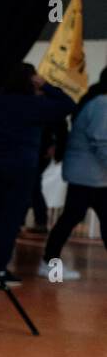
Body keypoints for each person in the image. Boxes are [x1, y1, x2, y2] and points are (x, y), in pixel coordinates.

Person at [0, 63, 75, 285]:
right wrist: (46, 86)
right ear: (31, 80)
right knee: (10, 220)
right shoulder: (34, 105)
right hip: (20, 168)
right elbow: (68, 105)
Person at [42, 74, 107, 280]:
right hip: (88, 175)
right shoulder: (102, 104)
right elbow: (102, 142)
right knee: (70, 219)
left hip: (91, 175)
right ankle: (49, 265)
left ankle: (49, 264)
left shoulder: (98, 102)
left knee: (72, 218)